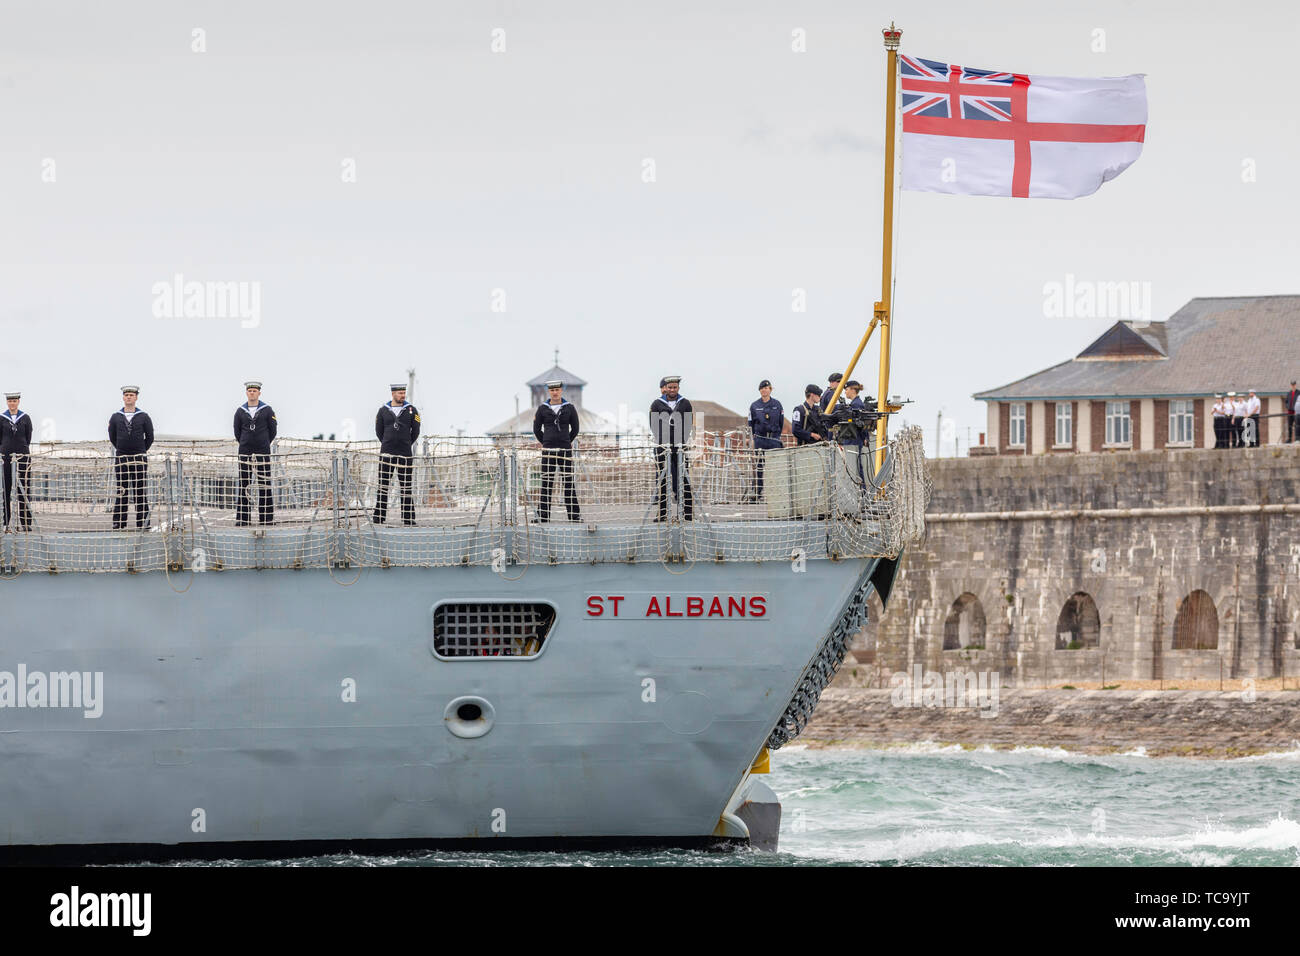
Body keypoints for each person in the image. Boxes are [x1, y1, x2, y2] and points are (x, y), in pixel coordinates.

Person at [531, 379, 581, 523]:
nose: (555, 393)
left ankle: (574, 516)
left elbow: (575, 428)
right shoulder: (542, 409)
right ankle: (543, 516)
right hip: (548, 451)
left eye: (557, 390)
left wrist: (566, 441)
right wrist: (546, 442)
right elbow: (536, 429)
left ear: (561, 391)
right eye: (552, 390)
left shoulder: (569, 408)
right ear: (549, 391)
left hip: (565, 451)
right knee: (546, 482)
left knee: (568, 482)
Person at [373, 383, 421, 525]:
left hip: (405, 453)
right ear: (393, 394)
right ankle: (379, 517)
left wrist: (405, 443)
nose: (403, 395)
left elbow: (416, 431)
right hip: (387, 453)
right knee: (383, 485)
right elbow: (379, 431)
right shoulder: (383, 410)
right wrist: (388, 442)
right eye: (400, 393)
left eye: (404, 393)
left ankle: (408, 519)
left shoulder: (412, 410)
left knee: (406, 486)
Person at [108, 386, 155, 530]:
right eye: (126, 395)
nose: (129, 397)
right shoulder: (115, 417)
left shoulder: (144, 416)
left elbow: (150, 437)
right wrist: (123, 449)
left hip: (139, 458)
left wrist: (140, 450)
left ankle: (143, 523)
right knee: (122, 490)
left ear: (136, 398)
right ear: (123, 397)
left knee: (140, 490)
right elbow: (112, 437)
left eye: (131, 395)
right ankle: (119, 522)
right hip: (122, 457)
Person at [649, 375, 693, 522]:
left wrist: (681, 440)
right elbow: (653, 425)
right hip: (663, 446)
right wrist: (662, 440)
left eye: (674, 387)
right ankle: (662, 513)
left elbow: (688, 425)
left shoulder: (685, 403)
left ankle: (687, 513)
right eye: (670, 387)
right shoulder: (656, 404)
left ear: (678, 388)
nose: (672, 390)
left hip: (680, 447)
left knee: (683, 478)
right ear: (665, 389)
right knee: (663, 480)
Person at [233, 381, 277, 526]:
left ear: (259, 393)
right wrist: (245, 442)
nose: (252, 393)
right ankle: (243, 519)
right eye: (250, 390)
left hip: (262, 450)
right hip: (245, 451)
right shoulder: (240, 411)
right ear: (246, 393)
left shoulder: (267, 410)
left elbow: (273, 430)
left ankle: (266, 519)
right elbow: (237, 431)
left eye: (254, 391)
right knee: (244, 484)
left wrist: (263, 442)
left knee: (264, 483)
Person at [1, 390, 33, 530]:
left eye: (14, 401)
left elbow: (28, 436)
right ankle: (5, 522)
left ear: (18, 402)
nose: (12, 403)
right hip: (5, 458)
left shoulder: (25, 418)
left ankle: (25, 523)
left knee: (24, 489)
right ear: (7, 402)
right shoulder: (2, 418)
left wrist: (21, 448)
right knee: (5, 489)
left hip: (22, 456)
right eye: (9, 401)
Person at [747, 379, 783, 501]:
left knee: (776, 467)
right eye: (762, 388)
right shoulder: (754, 406)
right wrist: (754, 438)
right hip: (760, 439)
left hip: (773, 439)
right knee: (759, 467)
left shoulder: (777, 405)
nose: (764, 390)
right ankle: (757, 492)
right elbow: (750, 423)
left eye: (766, 388)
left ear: (770, 389)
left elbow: (781, 422)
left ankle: (778, 494)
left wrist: (777, 436)